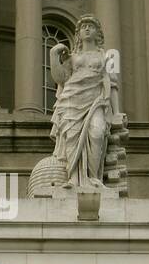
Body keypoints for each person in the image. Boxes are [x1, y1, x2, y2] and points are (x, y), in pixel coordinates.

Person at [48, 15, 116, 190]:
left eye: (91, 26)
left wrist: (116, 114)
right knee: (71, 136)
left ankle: (94, 178)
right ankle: (72, 177)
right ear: (78, 33)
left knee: (97, 132)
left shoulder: (109, 56)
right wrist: (54, 54)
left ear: (98, 33)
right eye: (83, 26)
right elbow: (60, 78)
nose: (87, 29)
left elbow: (112, 84)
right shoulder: (73, 57)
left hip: (96, 101)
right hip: (71, 99)